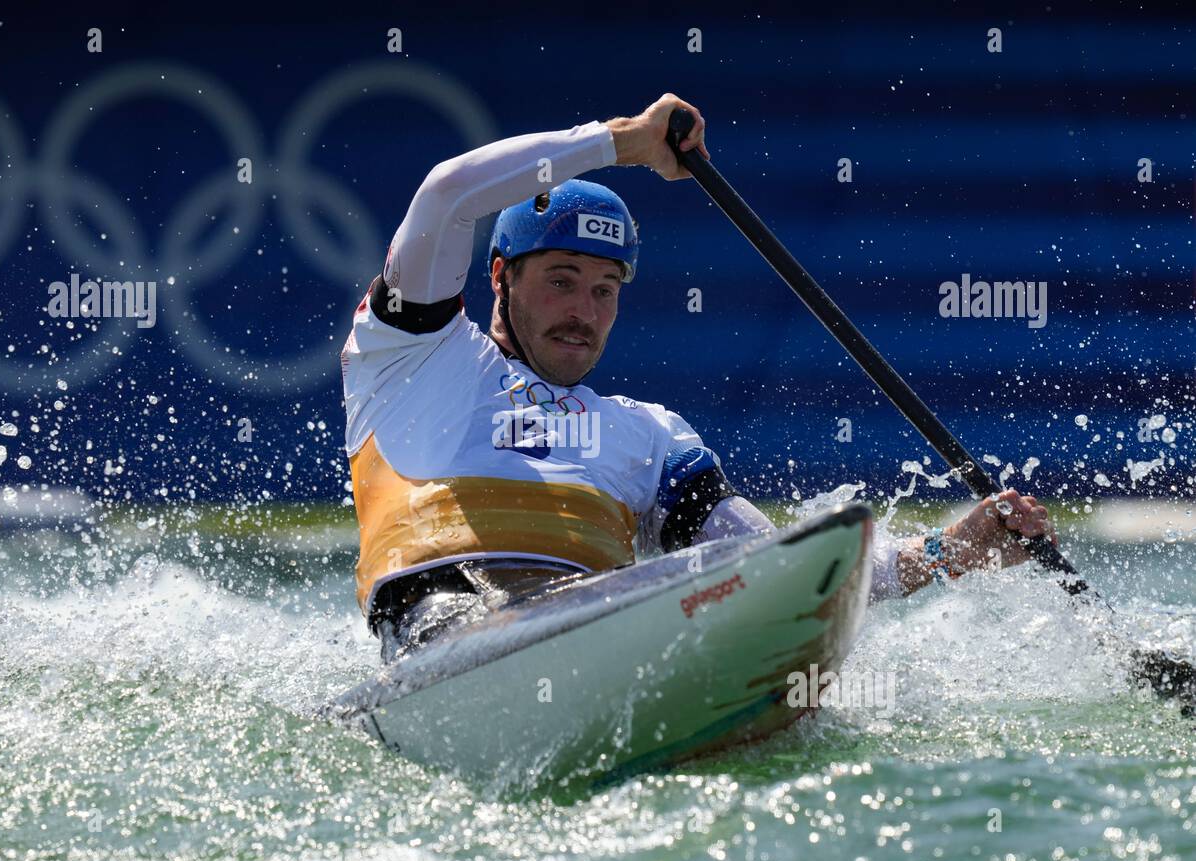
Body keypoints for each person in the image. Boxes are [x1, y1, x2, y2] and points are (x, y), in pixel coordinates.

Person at [341, 93, 1057, 662]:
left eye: (603, 290)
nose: (582, 311)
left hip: (597, 631)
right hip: (442, 635)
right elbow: (446, 194)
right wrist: (628, 141)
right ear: (500, 277)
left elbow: (778, 562)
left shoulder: (648, 433)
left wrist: (951, 550)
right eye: (561, 281)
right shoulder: (414, 353)